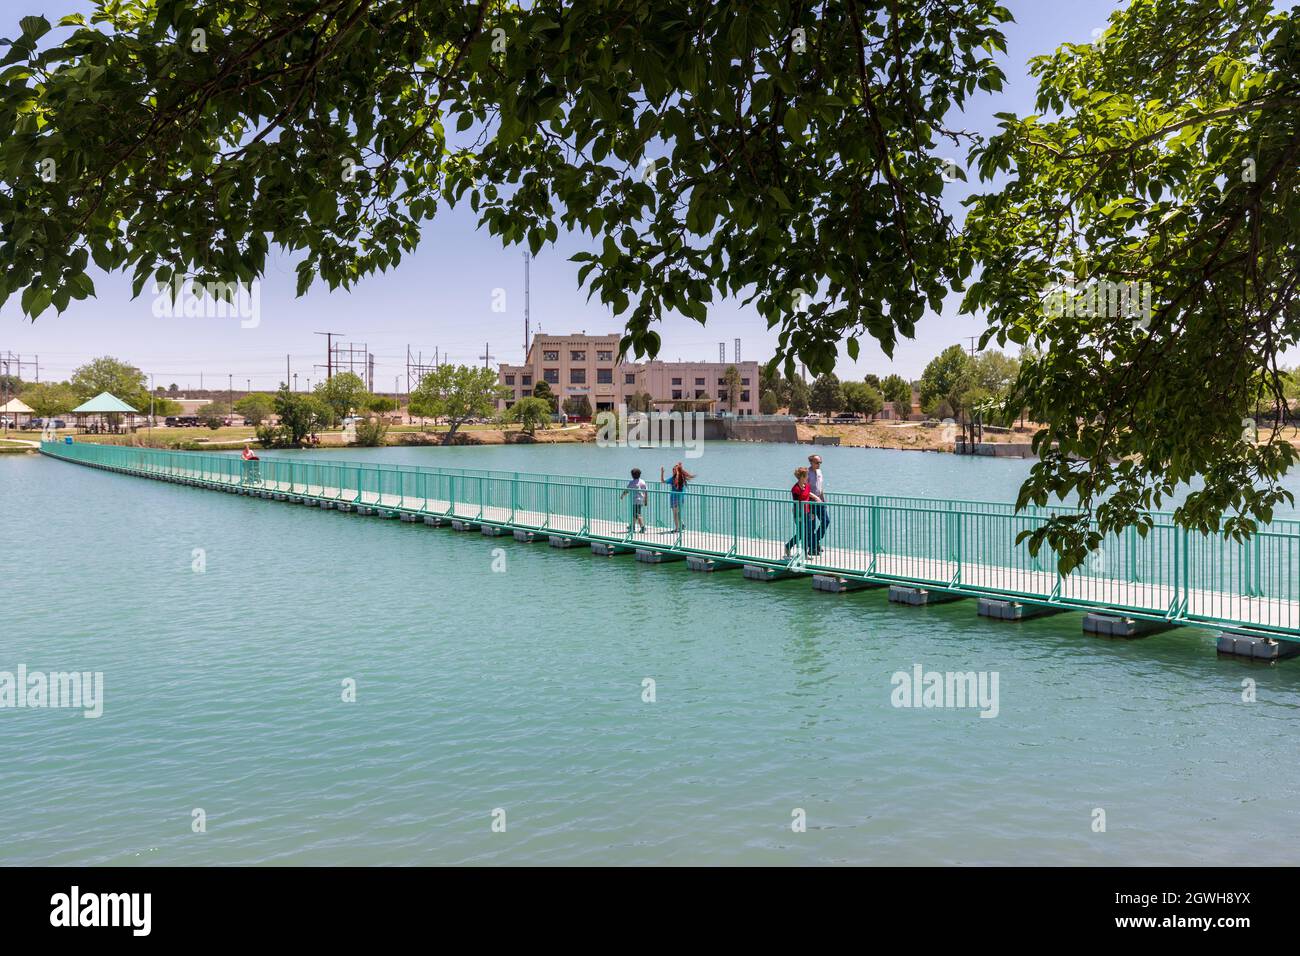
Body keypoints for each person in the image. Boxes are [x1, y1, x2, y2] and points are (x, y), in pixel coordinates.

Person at [785, 466, 817, 559]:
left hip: (807, 512)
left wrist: (815, 499)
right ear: (802, 476)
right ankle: (788, 546)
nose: (808, 477)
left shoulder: (807, 486)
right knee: (801, 533)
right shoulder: (795, 489)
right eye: (806, 475)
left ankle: (804, 554)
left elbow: (808, 496)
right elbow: (797, 503)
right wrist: (798, 516)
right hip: (798, 513)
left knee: (807, 532)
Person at [659, 462, 695, 533]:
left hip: (675, 498)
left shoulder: (675, 478)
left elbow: (663, 481)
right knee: (677, 512)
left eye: (674, 470)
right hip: (679, 498)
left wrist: (662, 472)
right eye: (673, 470)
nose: (673, 471)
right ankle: (681, 525)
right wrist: (662, 472)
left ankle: (677, 528)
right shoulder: (682, 478)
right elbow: (663, 481)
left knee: (675, 513)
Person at [808, 453, 828, 556]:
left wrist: (823, 499)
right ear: (811, 462)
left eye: (820, 462)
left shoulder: (820, 471)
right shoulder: (807, 473)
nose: (819, 464)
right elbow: (805, 490)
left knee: (826, 521)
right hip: (811, 503)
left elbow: (820, 487)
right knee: (812, 526)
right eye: (817, 462)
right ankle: (812, 548)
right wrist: (815, 498)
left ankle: (815, 542)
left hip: (820, 502)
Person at [620, 467, 649, 533]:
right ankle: (632, 527)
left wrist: (622, 495)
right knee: (635, 514)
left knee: (638, 514)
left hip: (635, 501)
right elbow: (646, 492)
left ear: (632, 475)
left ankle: (642, 527)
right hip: (640, 500)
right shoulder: (643, 482)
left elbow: (627, 491)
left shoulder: (632, 482)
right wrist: (646, 500)